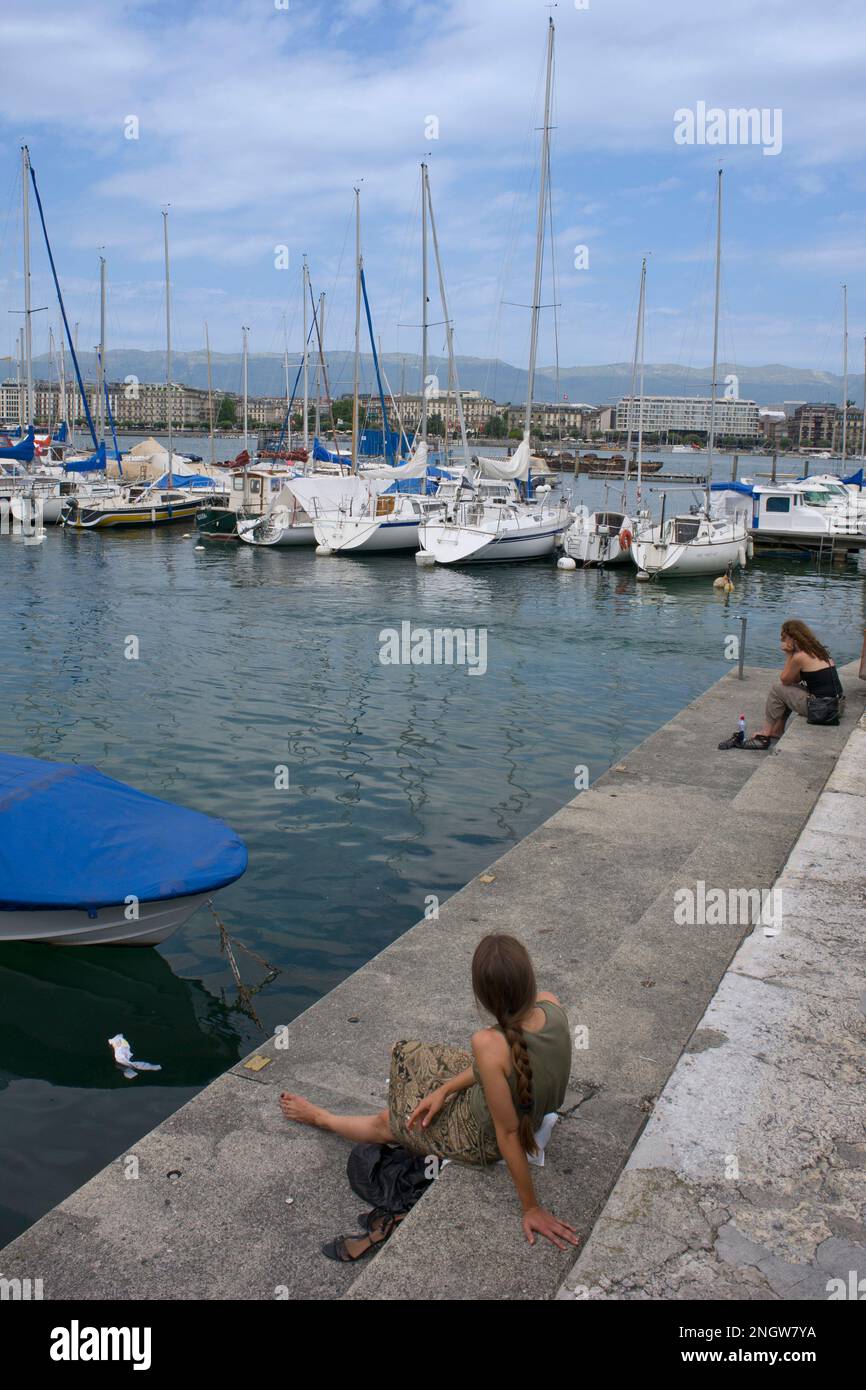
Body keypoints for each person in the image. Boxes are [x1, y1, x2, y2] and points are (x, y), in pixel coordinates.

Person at [279, 932, 578, 1259]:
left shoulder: (488, 1044)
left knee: (387, 1123)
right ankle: (432, 1091)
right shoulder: (551, 1004)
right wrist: (446, 1089)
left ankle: (321, 1118)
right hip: (523, 1106)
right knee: (407, 1053)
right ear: (530, 978)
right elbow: (495, 1067)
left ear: (482, 996)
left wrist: (531, 1207)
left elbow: (506, 1133)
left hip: (482, 1135)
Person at [719, 618, 844, 751]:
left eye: (784, 638)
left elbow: (784, 680)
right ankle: (777, 730)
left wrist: (789, 654)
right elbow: (793, 680)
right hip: (836, 706)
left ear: (793, 638)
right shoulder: (818, 651)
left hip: (822, 710)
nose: (782, 641)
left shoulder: (800, 656)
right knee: (788, 690)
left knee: (777, 689)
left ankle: (765, 734)